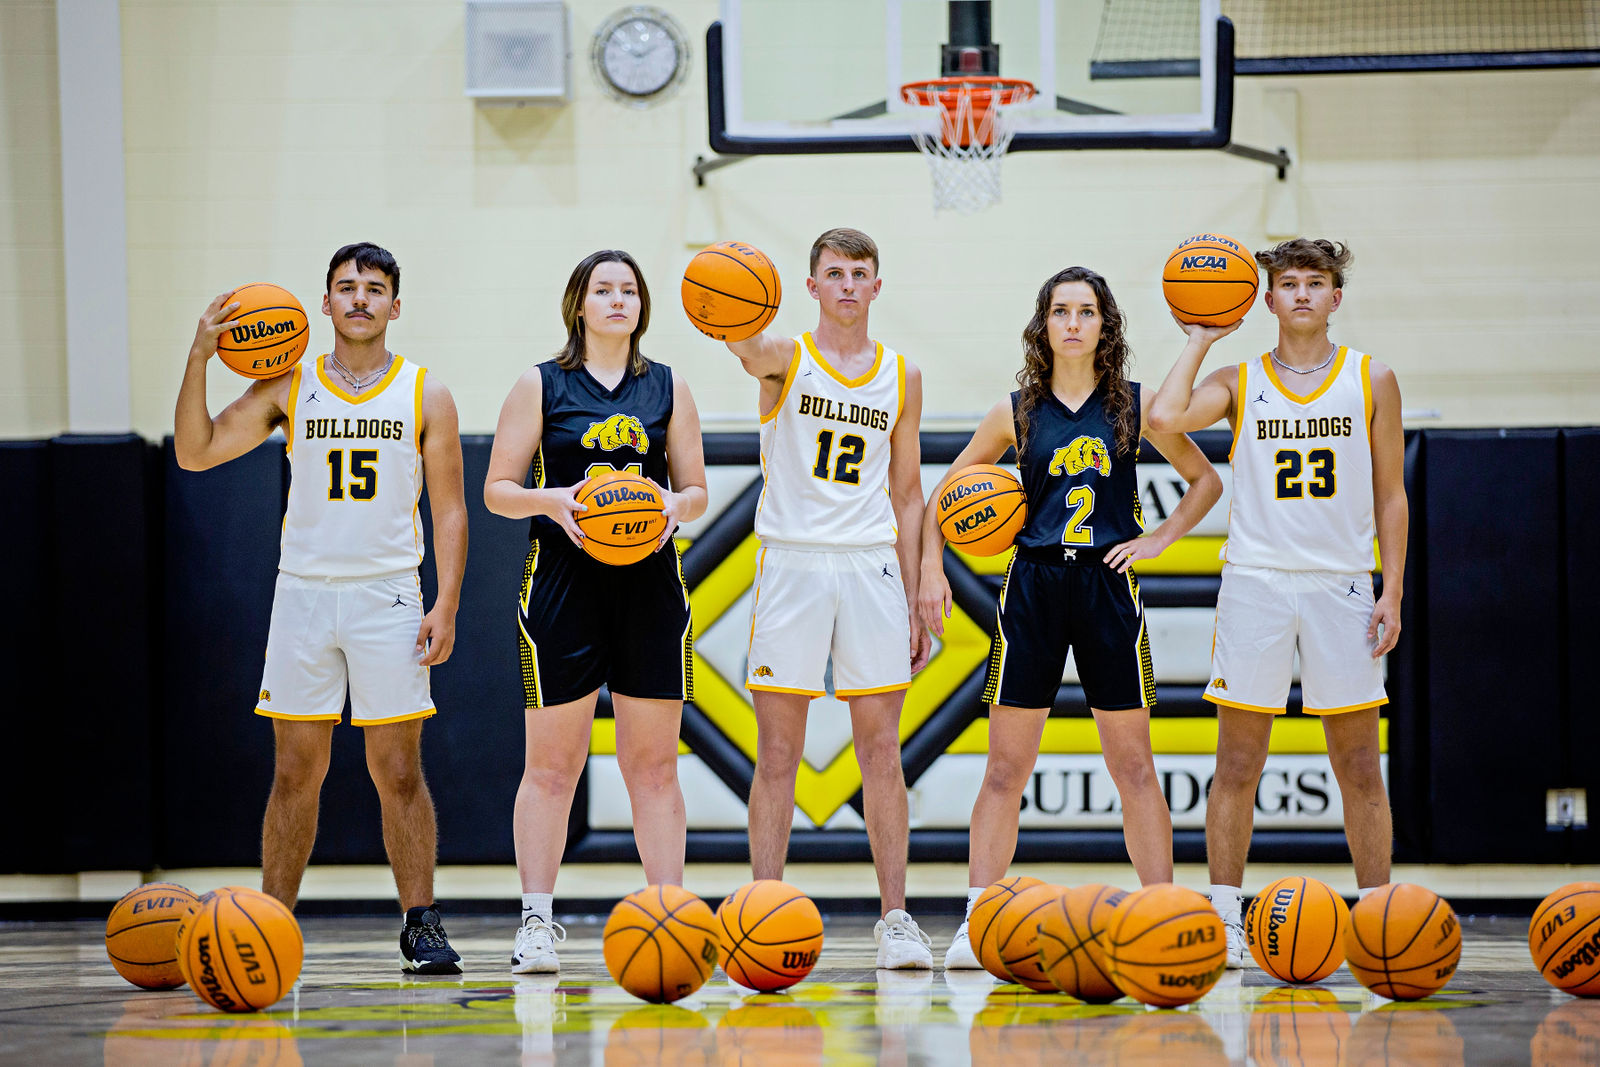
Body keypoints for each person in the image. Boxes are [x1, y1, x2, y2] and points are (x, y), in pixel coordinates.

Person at [175, 242, 468, 974]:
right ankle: (271, 922)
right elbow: (194, 449)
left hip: (389, 593)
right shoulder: (287, 383)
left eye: (375, 289)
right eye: (347, 287)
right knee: (294, 771)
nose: (361, 298)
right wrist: (199, 358)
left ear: (395, 306)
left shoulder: (426, 391)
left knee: (398, 768)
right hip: (304, 593)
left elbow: (452, 511)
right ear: (325, 302)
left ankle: (421, 922)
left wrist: (448, 602)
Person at [920, 266, 1222, 969]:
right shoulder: (1017, 411)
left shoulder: (1135, 407)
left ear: (1105, 325)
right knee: (1005, 766)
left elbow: (1205, 481)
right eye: (1062, 310)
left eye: (1087, 311)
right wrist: (932, 566)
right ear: (1044, 325)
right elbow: (946, 494)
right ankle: (978, 918)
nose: (1075, 322)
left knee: (1134, 764)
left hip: (1107, 588)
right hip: (1033, 585)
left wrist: (1159, 537)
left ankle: (1166, 914)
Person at [1147, 238, 1407, 967]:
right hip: (1257, 581)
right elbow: (1164, 418)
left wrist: (1393, 586)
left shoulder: (1372, 377)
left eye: (1314, 283)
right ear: (1266, 299)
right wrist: (1200, 336)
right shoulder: (1240, 377)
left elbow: (1392, 492)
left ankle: (1379, 914)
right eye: (1287, 283)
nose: (1300, 294)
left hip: (1343, 583)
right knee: (1238, 759)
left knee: (1359, 763)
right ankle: (1224, 916)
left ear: (1335, 298)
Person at [484, 250, 707, 974]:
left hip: (649, 586)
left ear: (643, 306)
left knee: (654, 766)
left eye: (629, 290)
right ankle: (537, 921)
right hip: (562, 586)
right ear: (579, 303)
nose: (618, 299)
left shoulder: (668, 387)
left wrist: (674, 507)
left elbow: (696, 489)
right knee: (552, 766)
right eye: (603, 289)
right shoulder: (540, 383)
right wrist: (551, 500)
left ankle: (668, 910)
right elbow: (497, 489)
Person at [725, 227, 934, 969]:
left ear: (878, 285)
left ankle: (897, 919)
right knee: (778, 752)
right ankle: (761, 910)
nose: (848, 284)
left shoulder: (903, 375)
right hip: (793, 564)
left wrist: (917, 588)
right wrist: (728, 291)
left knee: (882, 750)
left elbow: (908, 493)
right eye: (834, 273)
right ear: (811, 286)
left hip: (871, 564)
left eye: (861, 273)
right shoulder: (784, 357)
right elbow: (745, 346)